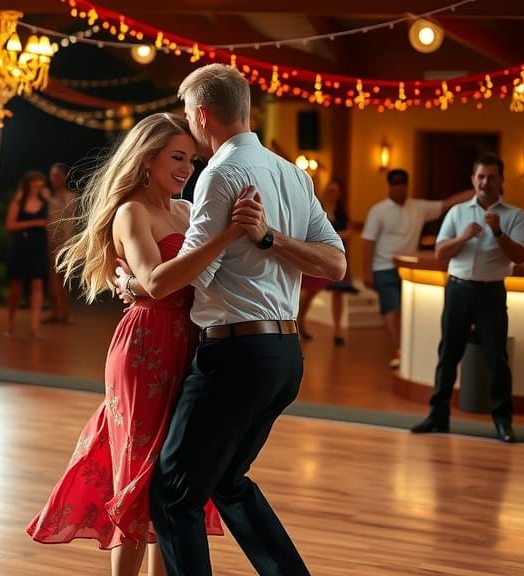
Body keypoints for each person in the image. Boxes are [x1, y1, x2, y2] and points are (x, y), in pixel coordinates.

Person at [118, 64, 346, 576]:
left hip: (235, 356)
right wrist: (272, 241)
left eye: (187, 120)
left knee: (174, 493)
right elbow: (335, 263)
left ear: (201, 115)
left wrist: (134, 284)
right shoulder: (292, 173)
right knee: (227, 481)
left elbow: (183, 277)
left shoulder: (221, 174)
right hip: (285, 358)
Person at [29, 112, 241, 576]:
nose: (187, 168)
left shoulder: (186, 211)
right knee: (138, 475)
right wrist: (226, 235)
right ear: (147, 159)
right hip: (145, 346)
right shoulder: (131, 212)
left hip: (190, 343)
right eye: (176, 157)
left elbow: (207, 276)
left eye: (191, 158)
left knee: (170, 480)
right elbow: (156, 282)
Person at [411, 154, 524, 443]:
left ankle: (503, 422)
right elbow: (440, 253)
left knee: (497, 359)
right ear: (473, 180)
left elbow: (520, 257)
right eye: (480, 177)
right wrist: (462, 237)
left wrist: (498, 231)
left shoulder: (515, 216)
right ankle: (438, 417)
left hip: (491, 293)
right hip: (458, 290)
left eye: (491, 177)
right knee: (448, 355)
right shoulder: (457, 213)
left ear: (502, 180)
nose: (485, 182)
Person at [361, 169, 471, 368]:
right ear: (389, 186)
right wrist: (367, 272)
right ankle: (400, 350)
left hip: (407, 268)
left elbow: (447, 203)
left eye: (402, 184)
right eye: (395, 184)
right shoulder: (378, 210)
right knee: (392, 308)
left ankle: (408, 348)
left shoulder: (418, 207)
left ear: (406, 185)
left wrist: (476, 192)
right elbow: (368, 242)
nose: (399, 188)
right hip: (383, 267)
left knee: (408, 310)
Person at [298, 178, 354, 344]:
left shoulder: (342, 213)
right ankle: (300, 319)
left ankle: (337, 330)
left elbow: (349, 232)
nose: (333, 195)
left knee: (338, 293)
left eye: (336, 192)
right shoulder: (318, 208)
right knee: (310, 291)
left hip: (336, 256)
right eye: (330, 191)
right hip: (319, 257)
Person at [5, 171, 50, 337]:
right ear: (28, 183)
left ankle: (34, 326)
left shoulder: (45, 202)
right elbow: (10, 225)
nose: (38, 184)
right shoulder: (19, 201)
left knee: (37, 284)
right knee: (16, 286)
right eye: (35, 181)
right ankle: (10, 321)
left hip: (38, 246)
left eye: (40, 181)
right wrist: (34, 223)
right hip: (20, 246)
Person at [45, 162, 77, 324]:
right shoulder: (49, 196)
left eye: (57, 175)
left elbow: (68, 221)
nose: (54, 179)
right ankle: (56, 310)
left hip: (63, 242)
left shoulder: (69, 197)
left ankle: (65, 311)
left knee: (62, 277)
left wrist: (63, 242)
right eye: (52, 175)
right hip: (48, 239)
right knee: (52, 277)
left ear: (64, 177)